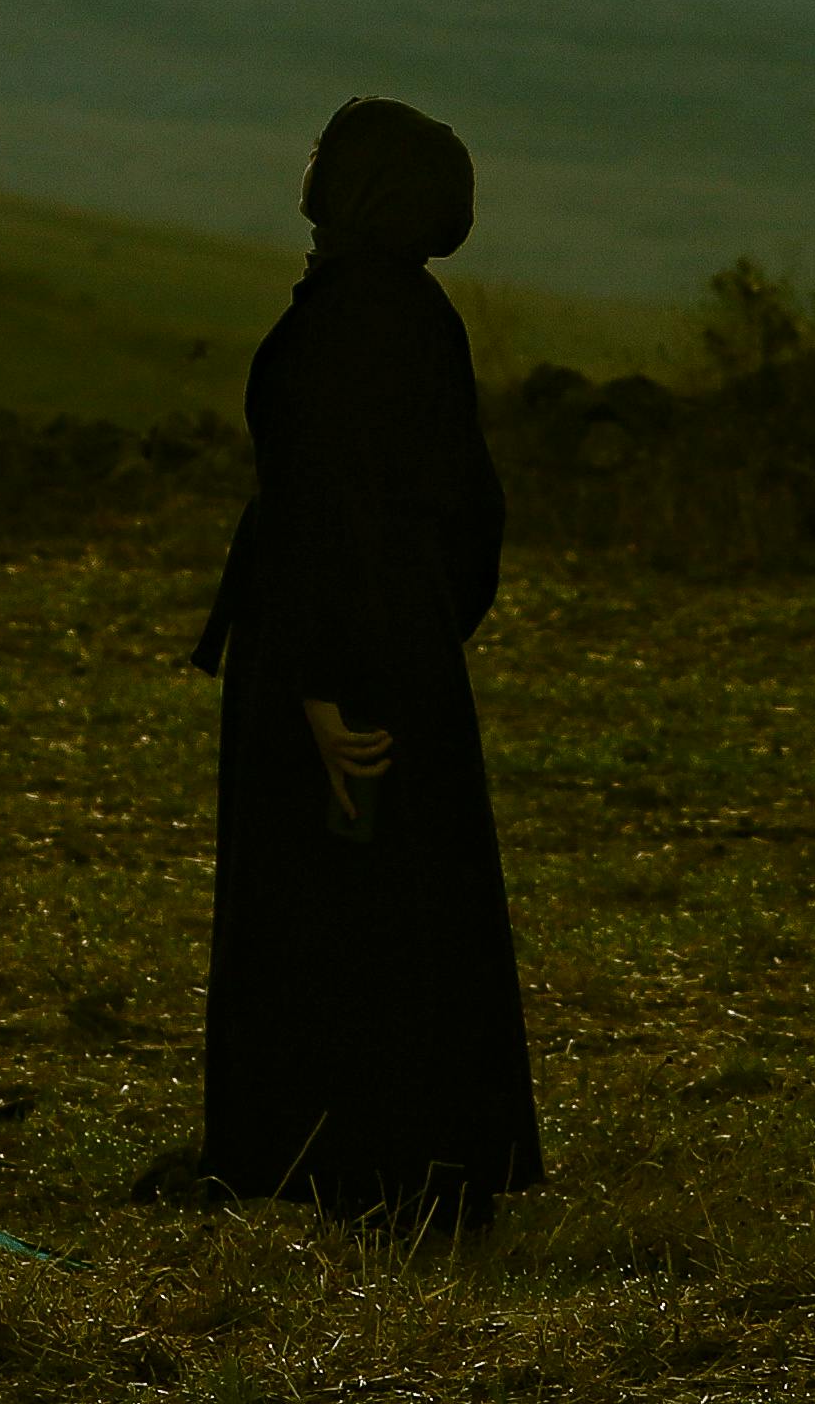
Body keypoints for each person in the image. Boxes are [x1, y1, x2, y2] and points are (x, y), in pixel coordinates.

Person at [186, 93, 542, 1220]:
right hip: (395, 640)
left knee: (332, 902)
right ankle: (402, 1149)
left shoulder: (354, 322)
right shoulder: (410, 313)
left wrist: (322, 684)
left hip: (336, 647)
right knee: (399, 897)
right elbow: (461, 513)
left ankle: (339, 1152)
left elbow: (336, 517)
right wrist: (419, 637)